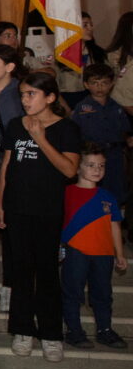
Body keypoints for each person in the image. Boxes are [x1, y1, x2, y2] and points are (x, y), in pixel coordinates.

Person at [0, 71, 81, 361]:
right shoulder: (14, 125)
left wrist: (40, 138)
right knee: (19, 271)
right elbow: (6, 167)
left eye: (31, 94)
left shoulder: (66, 129)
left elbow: (70, 170)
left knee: (46, 272)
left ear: (51, 97)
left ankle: (51, 333)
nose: (25, 99)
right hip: (17, 208)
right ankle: (22, 329)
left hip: (47, 210)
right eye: (22, 94)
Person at [61, 144, 127, 350]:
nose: (97, 170)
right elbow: (57, 222)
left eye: (101, 166)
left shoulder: (108, 196)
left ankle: (105, 330)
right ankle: (74, 331)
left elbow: (114, 225)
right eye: (90, 165)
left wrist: (119, 253)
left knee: (103, 294)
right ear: (78, 168)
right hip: (76, 251)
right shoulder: (67, 193)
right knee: (73, 292)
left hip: (104, 254)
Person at [71, 64, 130, 207]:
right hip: (91, 156)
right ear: (86, 84)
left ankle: (115, 220)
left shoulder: (116, 106)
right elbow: (73, 133)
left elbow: (125, 131)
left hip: (114, 155)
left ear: (112, 84)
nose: (99, 87)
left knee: (116, 190)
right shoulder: (82, 108)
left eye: (104, 83)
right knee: (93, 190)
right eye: (94, 83)